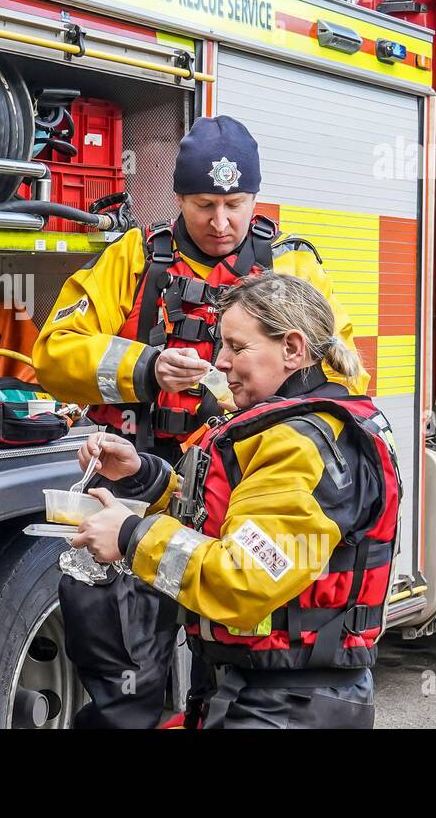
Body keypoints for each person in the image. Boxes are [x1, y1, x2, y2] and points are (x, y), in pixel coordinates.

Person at [32, 114, 368, 729]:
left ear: (255, 200)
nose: (221, 222)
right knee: (123, 693)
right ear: (178, 199)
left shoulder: (293, 269)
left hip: (246, 499)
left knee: (234, 669)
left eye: (235, 204)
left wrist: (260, 415)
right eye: (204, 204)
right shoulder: (135, 258)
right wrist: (146, 365)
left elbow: (341, 379)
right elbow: (53, 352)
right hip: (148, 494)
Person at [71, 273, 401, 728]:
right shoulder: (283, 429)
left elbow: (245, 578)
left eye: (237, 347)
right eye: (220, 345)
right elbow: (224, 516)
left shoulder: (301, 445)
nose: (220, 362)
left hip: (286, 706)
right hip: (252, 694)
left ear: (292, 348)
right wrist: (143, 476)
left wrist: (130, 537)